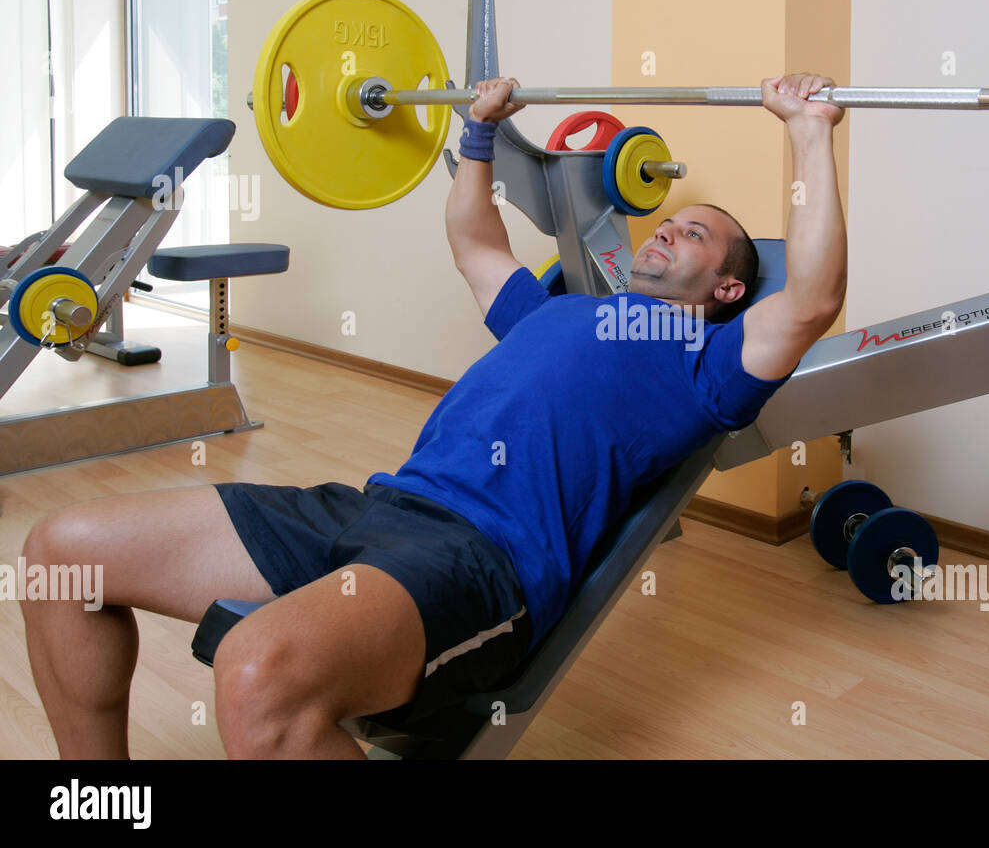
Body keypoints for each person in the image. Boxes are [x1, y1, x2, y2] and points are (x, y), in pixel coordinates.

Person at [20, 73, 846, 759]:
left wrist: (809, 131)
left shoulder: (706, 363)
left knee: (254, 672)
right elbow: (476, 245)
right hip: (373, 508)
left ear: (729, 291)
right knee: (60, 556)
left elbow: (813, 298)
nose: (666, 232)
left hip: (479, 561)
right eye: (666, 223)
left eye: (693, 234)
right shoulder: (556, 312)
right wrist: (480, 133)